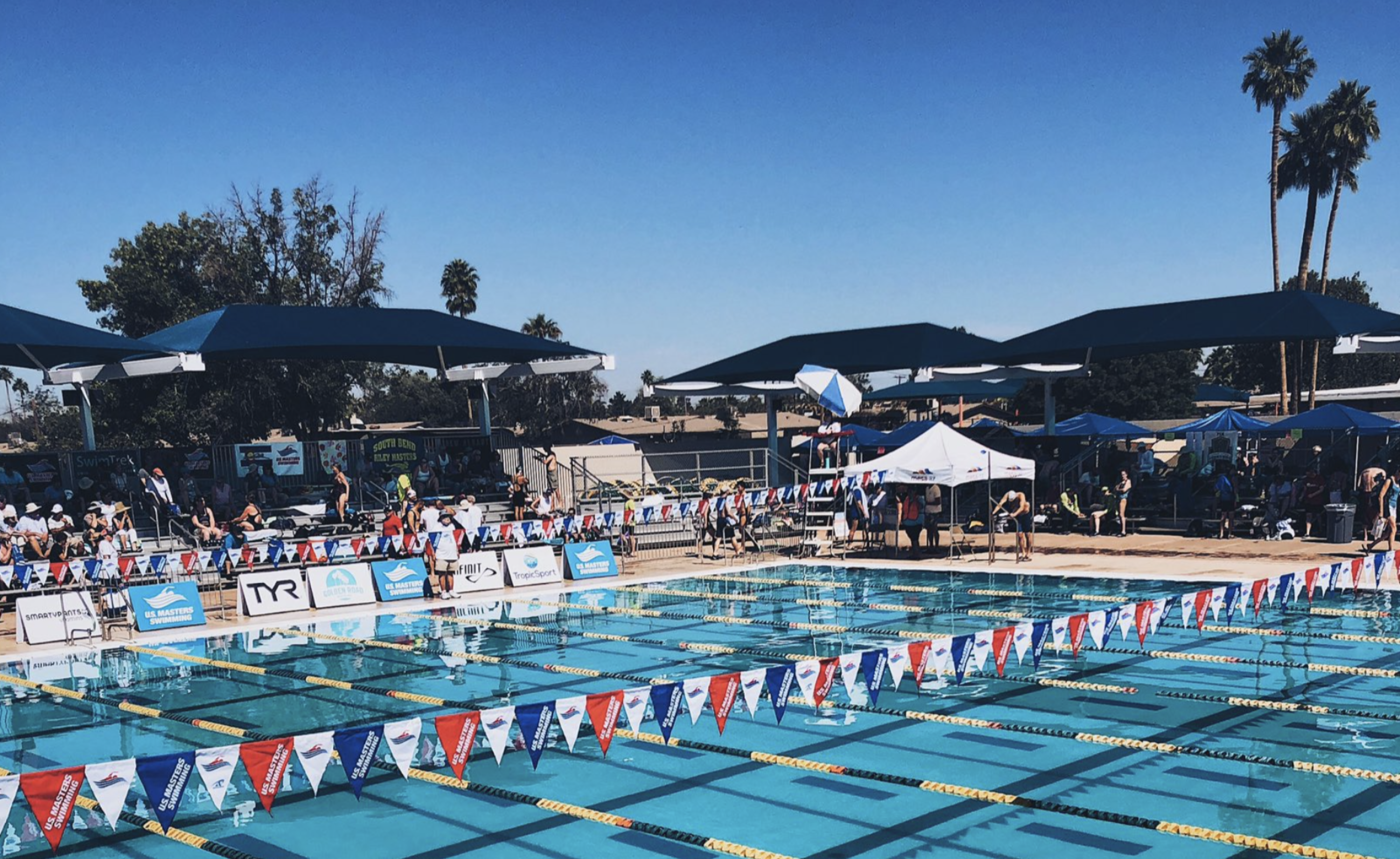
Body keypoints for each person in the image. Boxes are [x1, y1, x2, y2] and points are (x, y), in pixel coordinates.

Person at [991, 488, 1032, 561]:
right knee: (1020, 535)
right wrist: (993, 512)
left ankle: (1028, 553)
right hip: (1017, 515)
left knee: (1027, 534)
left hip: (1025, 514)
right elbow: (1000, 504)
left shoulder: (1021, 495)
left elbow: (1021, 507)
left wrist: (1014, 514)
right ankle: (1023, 552)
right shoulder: (1007, 495)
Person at [897, 486, 924, 560]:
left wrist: (916, 500)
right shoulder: (907, 499)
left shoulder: (919, 498)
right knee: (913, 539)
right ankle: (915, 553)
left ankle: (917, 554)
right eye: (909, 491)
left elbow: (921, 507)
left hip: (916, 522)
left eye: (911, 491)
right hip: (908, 522)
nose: (910, 493)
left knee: (915, 538)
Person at [1214, 465, 1237, 539]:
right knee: (1228, 516)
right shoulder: (1231, 478)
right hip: (1229, 498)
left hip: (1225, 498)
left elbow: (1216, 488)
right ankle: (1227, 533)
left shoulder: (1222, 478)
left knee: (1226, 516)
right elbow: (1235, 490)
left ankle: (1223, 532)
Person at [537, 444, 561, 508]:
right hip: (549, 473)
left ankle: (560, 503)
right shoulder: (548, 455)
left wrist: (540, 459)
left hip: (553, 473)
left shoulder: (552, 455)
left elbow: (545, 462)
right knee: (551, 490)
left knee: (556, 489)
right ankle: (552, 505)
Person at [923, 484, 943, 554]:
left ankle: (937, 547)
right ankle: (930, 546)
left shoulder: (936, 488)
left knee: (934, 529)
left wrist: (928, 503)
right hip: (928, 512)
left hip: (935, 512)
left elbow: (938, 501)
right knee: (929, 530)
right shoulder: (927, 488)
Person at [1113, 470, 1133, 537]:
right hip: (1118, 498)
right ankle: (1120, 529)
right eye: (1122, 474)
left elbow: (1124, 490)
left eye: (1124, 474)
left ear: (1127, 474)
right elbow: (1115, 488)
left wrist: (1118, 489)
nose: (1122, 476)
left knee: (1122, 514)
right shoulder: (1121, 482)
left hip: (1123, 499)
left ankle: (1123, 531)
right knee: (1119, 514)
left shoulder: (1128, 481)